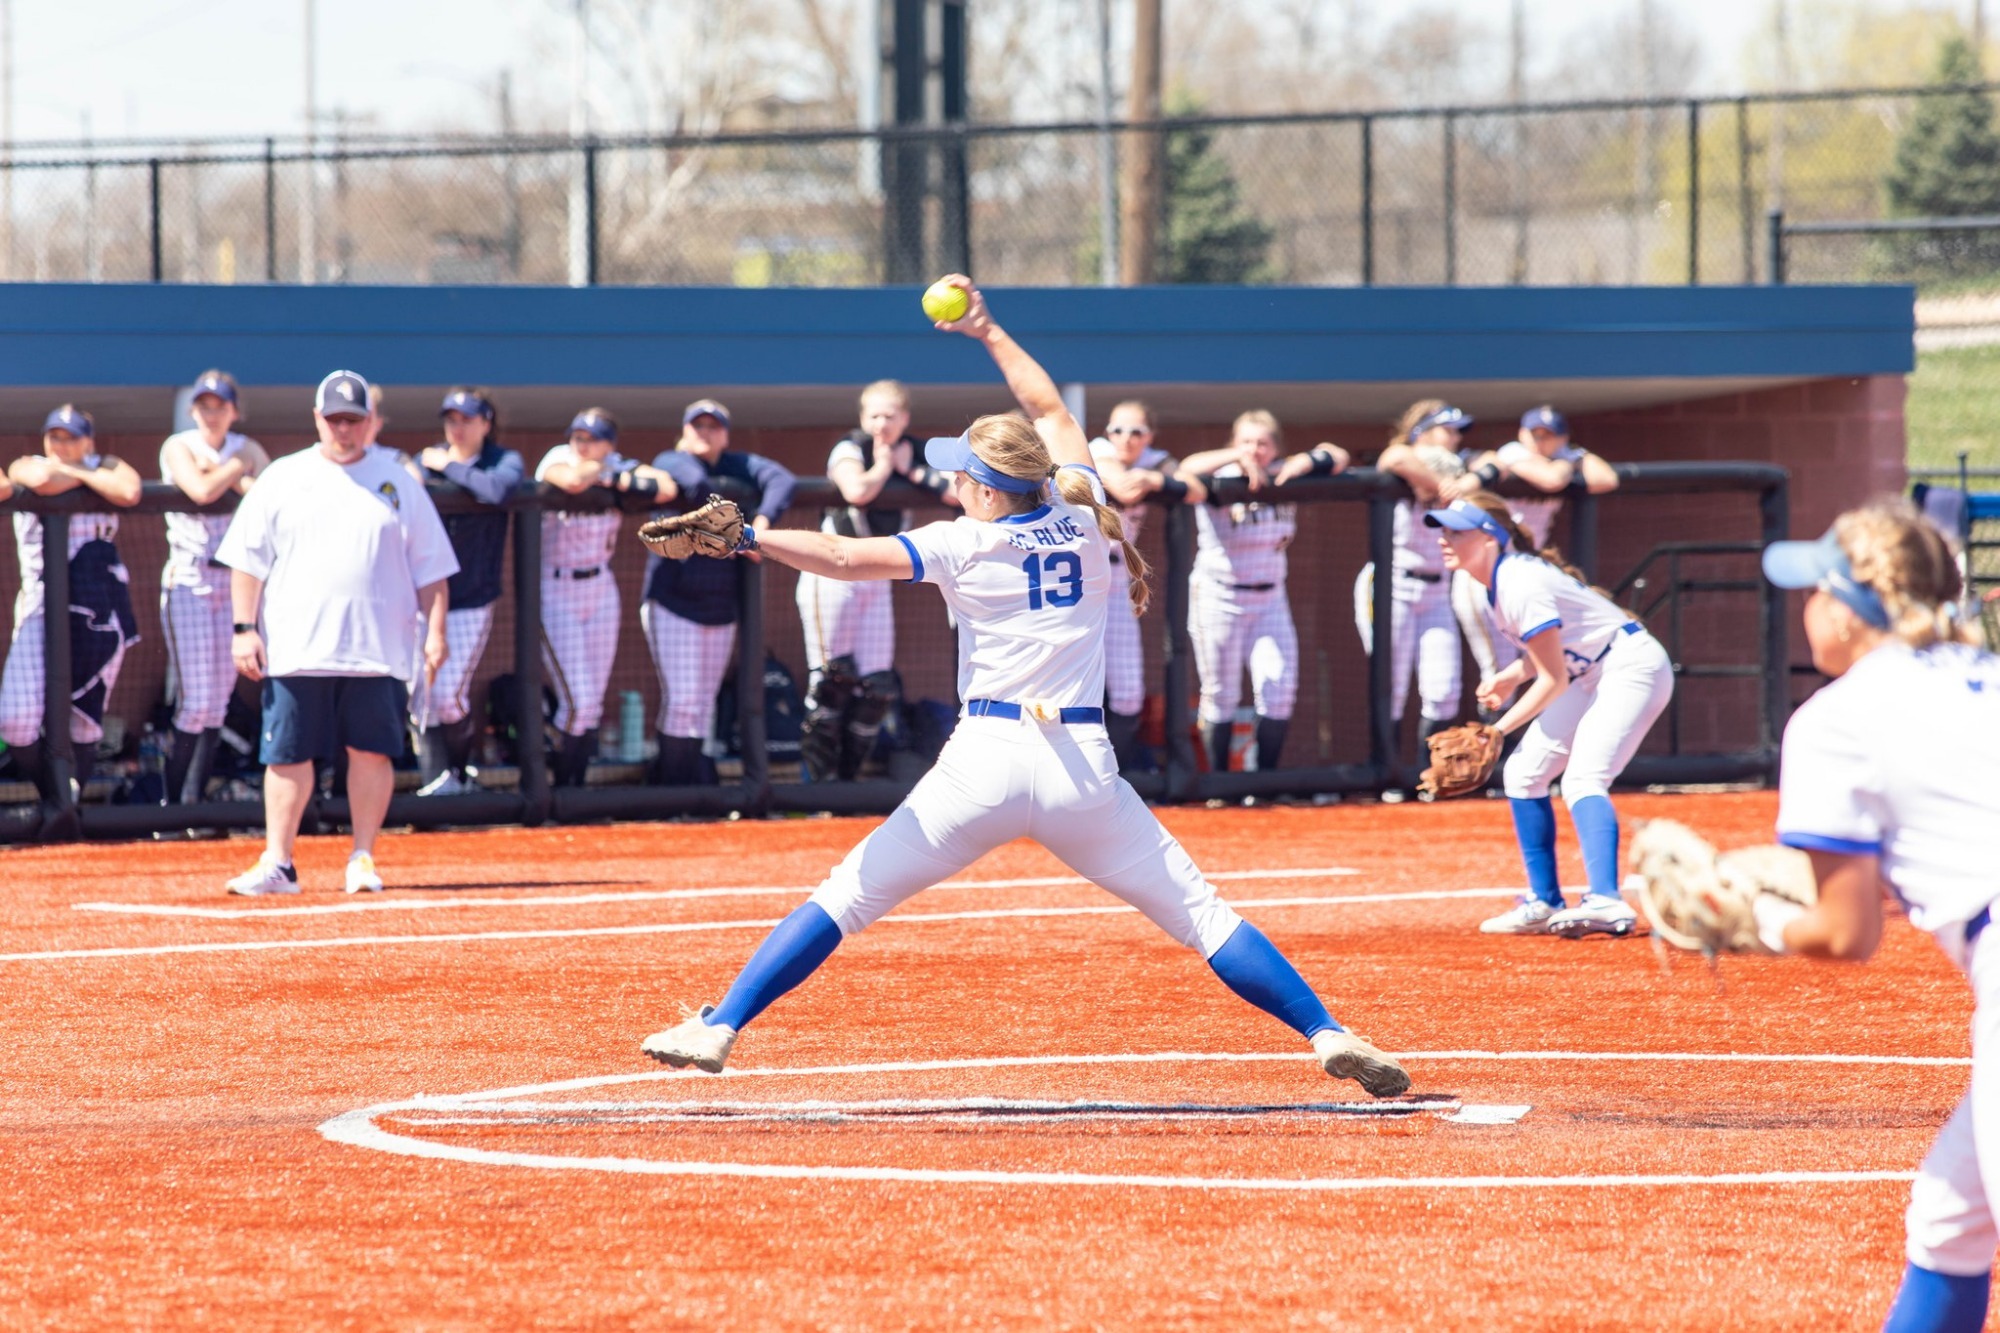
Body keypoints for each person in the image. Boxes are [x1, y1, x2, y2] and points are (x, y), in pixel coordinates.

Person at [639, 277, 1409, 1100]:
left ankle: (720, 1025)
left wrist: (751, 536)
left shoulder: (963, 541)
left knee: (847, 896)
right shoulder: (1080, 508)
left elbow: (841, 557)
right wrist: (989, 330)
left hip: (986, 762)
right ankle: (1326, 1030)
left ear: (982, 485)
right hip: (1082, 765)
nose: (950, 483)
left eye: (958, 473)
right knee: (1204, 915)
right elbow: (1049, 412)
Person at [1755, 501, 1999, 1333]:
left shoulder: (1835, 717)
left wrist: (1744, 915)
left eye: (1812, 591)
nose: (1804, 610)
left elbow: (1846, 932)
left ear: (1845, 607)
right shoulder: (1987, 673)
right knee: (1949, 1217)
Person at [218, 370, 457, 896]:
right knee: (286, 754)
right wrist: (243, 629)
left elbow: (432, 568)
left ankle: (363, 857)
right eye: (334, 420)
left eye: (353, 419)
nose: (343, 430)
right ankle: (279, 861)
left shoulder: (399, 482)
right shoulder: (283, 476)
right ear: (317, 420)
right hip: (298, 646)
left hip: (379, 650)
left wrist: (436, 633)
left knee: (372, 752)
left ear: (370, 422)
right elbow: (247, 561)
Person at [1424, 493, 1673, 937]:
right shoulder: (1497, 583)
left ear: (1489, 538)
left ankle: (1607, 901)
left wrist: (1496, 730)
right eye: (1443, 530)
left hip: (1630, 667)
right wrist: (1509, 675)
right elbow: (1550, 655)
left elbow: (1553, 680)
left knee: (1583, 777)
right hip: (1594, 669)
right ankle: (1543, 902)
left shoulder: (1519, 583)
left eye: (1456, 532)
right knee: (1523, 772)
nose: (1445, 540)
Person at [795, 380, 954, 781]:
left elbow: (958, 494)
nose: (882, 424)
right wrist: (887, 465)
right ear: (863, 418)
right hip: (832, 569)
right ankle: (815, 787)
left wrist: (910, 468)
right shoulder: (851, 446)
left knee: (878, 687)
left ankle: (848, 785)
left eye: (890, 415)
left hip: (878, 575)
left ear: (905, 418)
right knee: (832, 681)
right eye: (875, 416)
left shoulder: (917, 449)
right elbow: (857, 490)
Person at [1175, 411, 1341, 774]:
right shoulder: (1221, 473)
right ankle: (1219, 785)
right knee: (1221, 694)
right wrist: (1237, 458)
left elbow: (1338, 455)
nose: (1255, 449)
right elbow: (1186, 467)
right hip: (1219, 595)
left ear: (1276, 447)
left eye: (1263, 442)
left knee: (1279, 687)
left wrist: (1305, 460)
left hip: (1270, 598)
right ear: (1234, 444)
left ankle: (1262, 782)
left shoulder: (1286, 472)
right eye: (1246, 441)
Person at [644, 399, 796, 786]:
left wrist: (756, 530)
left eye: (714, 427)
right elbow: (694, 484)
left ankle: (695, 791)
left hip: (720, 606)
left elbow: (783, 479)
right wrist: (731, 524)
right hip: (673, 602)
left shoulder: (735, 464)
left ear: (725, 434)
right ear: (684, 430)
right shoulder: (670, 459)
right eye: (698, 426)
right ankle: (673, 792)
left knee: (701, 706)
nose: (705, 433)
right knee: (682, 702)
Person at [0, 406, 142, 808]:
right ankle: (55, 796)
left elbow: (129, 491)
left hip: (100, 610)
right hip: (41, 607)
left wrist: (80, 475)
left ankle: (71, 812)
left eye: (71, 437)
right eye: (55, 437)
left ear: (89, 441)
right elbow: (42, 479)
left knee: (85, 717)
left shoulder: (110, 463)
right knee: (15, 718)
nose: (61, 445)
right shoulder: (27, 462)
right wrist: (91, 480)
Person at [533, 408, 673, 788]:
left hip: (601, 587)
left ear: (609, 443)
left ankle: (577, 793)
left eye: (591, 438)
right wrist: (612, 474)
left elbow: (666, 487)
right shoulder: (559, 458)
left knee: (591, 703)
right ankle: (560, 791)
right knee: (577, 701)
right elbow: (573, 481)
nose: (581, 444)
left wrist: (618, 472)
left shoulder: (616, 465)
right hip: (556, 587)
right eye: (577, 436)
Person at [1449, 405, 1620, 698]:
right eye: (1535, 434)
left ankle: (1500, 735)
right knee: (1498, 667)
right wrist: (1567, 463)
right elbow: (1551, 480)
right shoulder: (1513, 452)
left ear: (1563, 438)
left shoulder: (1563, 457)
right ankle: (1493, 737)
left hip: (1522, 575)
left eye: (1549, 436)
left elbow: (1607, 479)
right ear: (1522, 434)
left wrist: (1573, 454)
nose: (1540, 442)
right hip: (1486, 573)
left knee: (1521, 666)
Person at [158, 371, 271, 806]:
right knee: (195, 702)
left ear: (234, 411)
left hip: (234, 582)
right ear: (193, 410)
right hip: (189, 579)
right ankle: (169, 808)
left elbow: (265, 501)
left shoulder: (248, 448)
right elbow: (202, 490)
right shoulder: (179, 444)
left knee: (218, 704)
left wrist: (234, 469)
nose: (211, 413)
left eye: (219, 405)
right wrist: (236, 473)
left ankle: (194, 807)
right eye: (204, 405)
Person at [409, 388, 524, 795]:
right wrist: (425, 467)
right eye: (451, 419)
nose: (457, 427)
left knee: (447, 694)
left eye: (467, 419)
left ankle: (459, 773)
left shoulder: (501, 461)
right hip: (425, 595)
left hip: (472, 597)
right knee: (419, 692)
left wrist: (449, 467)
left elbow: (496, 491)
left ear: (485, 423)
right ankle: (436, 783)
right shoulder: (426, 461)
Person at [1088, 399, 1209, 770]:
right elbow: (1122, 488)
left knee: (1127, 692)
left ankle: (1114, 773)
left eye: (1136, 432)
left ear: (1149, 436)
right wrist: (1145, 477)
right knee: (1073, 684)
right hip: (1079, 580)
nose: (1126, 438)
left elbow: (1196, 490)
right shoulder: (1097, 450)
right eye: (1118, 430)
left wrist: (1156, 478)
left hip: (1119, 579)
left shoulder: (1154, 460)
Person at [1359, 401, 1471, 767]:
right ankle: (1385, 773)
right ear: (1423, 432)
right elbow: (1394, 455)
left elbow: (1496, 464)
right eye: (1447, 430)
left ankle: (1427, 776)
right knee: (1389, 686)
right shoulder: (1406, 460)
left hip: (1439, 589)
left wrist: (1456, 484)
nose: (1455, 438)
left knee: (1444, 689)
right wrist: (1437, 485)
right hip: (1393, 585)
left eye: (1457, 432)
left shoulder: (1461, 470)